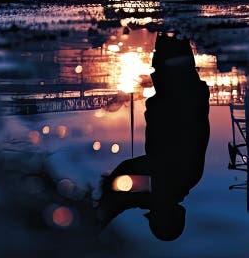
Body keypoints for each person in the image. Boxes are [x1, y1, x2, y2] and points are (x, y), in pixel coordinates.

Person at [63, 33, 209, 241]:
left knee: (171, 37)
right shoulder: (174, 181)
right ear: (164, 215)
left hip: (180, 86)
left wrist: (106, 213)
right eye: (154, 213)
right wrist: (103, 213)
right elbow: (128, 176)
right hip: (178, 89)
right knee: (172, 38)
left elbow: (130, 191)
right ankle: (171, 25)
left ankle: (171, 25)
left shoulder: (180, 182)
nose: (150, 208)